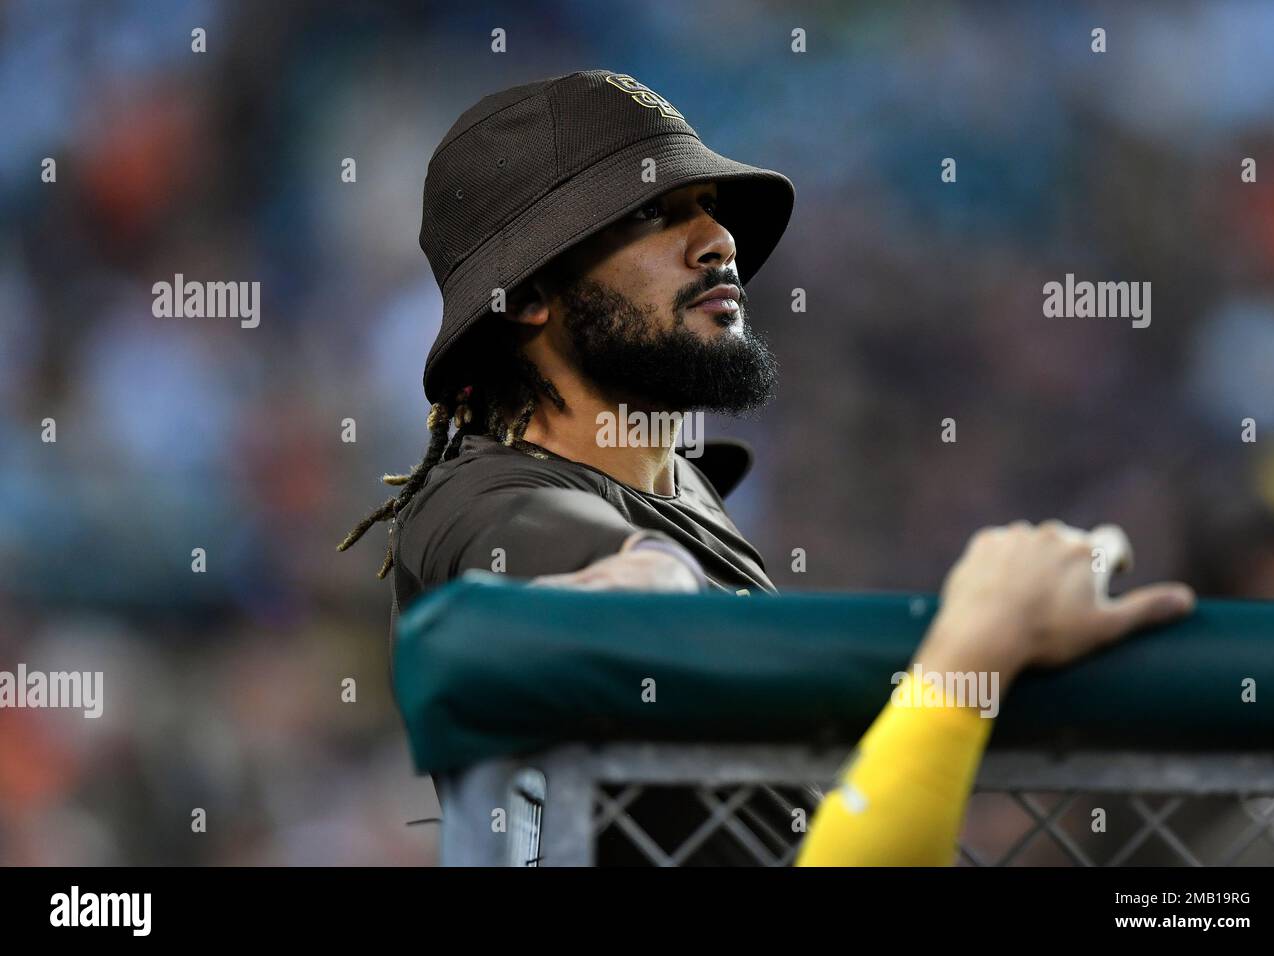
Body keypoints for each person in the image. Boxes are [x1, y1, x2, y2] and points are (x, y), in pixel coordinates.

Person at [339, 69, 1195, 865]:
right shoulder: (474, 496)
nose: (717, 240)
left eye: (708, 208)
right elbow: (569, 555)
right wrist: (981, 638)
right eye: (650, 215)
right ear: (526, 297)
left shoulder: (683, 487)